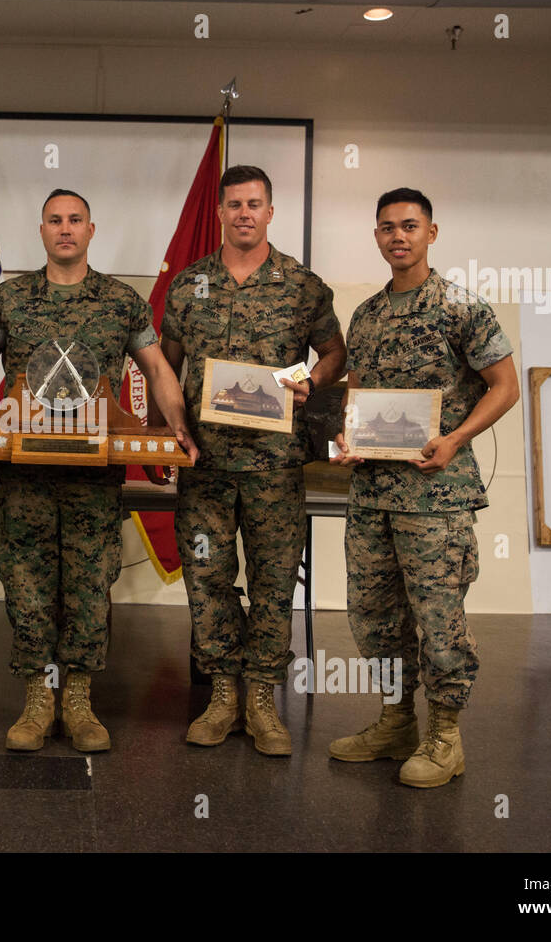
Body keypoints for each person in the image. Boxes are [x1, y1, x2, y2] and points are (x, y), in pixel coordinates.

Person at [0, 188, 196, 753]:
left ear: (92, 230)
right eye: (55, 220)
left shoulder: (121, 302)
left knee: (90, 584)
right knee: (25, 584)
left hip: (94, 479)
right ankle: (36, 699)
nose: (65, 228)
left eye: (76, 220)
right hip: (24, 477)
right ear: (41, 230)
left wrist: (178, 426)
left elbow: (157, 369)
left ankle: (77, 698)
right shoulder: (9, 300)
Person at [330, 187, 518, 788]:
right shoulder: (366, 315)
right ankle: (394, 722)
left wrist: (457, 438)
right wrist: (347, 439)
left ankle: (445, 735)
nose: (398, 237)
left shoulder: (462, 307)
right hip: (371, 496)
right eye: (386, 227)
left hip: (435, 498)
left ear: (432, 233)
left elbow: (504, 386)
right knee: (374, 616)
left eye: (410, 226)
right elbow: (358, 396)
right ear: (377, 236)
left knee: (438, 618)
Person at [157, 165, 346, 756]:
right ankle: (221, 695)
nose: (244, 213)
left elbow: (334, 351)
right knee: (208, 578)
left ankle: (262, 697)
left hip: (275, 465)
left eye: (254, 204)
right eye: (234, 204)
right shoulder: (189, 286)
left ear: (270, 211)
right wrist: (170, 431)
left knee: (272, 580)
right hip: (206, 466)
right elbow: (166, 361)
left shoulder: (302, 285)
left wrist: (313, 381)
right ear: (219, 212)